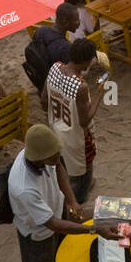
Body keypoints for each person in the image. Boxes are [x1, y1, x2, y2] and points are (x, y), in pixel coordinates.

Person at [8, 125, 122, 262]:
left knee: (67, 258)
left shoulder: (42, 153)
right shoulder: (24, 187)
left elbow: (58, 165)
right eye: (54, 155)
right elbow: (52, 224)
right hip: (37, 233)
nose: (58, 156)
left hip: (56, 210)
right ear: (39, 158)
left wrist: (71, 200)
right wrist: (93, 229)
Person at [45, 38, 105, 204]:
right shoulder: (81, 86)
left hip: (56, 128)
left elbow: (44, 101)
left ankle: (73, 189)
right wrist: (100, 94)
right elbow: (84, 121)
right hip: (75, 136)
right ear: (86, 61)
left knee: (64, 164)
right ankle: (79, 198)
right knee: (83, 169)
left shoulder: (54, 68)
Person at [24, 2, 79, 92]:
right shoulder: (65, 48)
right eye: (76, 20)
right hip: (56, 90)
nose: (79, 23)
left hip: (40, 80)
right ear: (65, 22)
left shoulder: (41, 30)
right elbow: (71, 75)